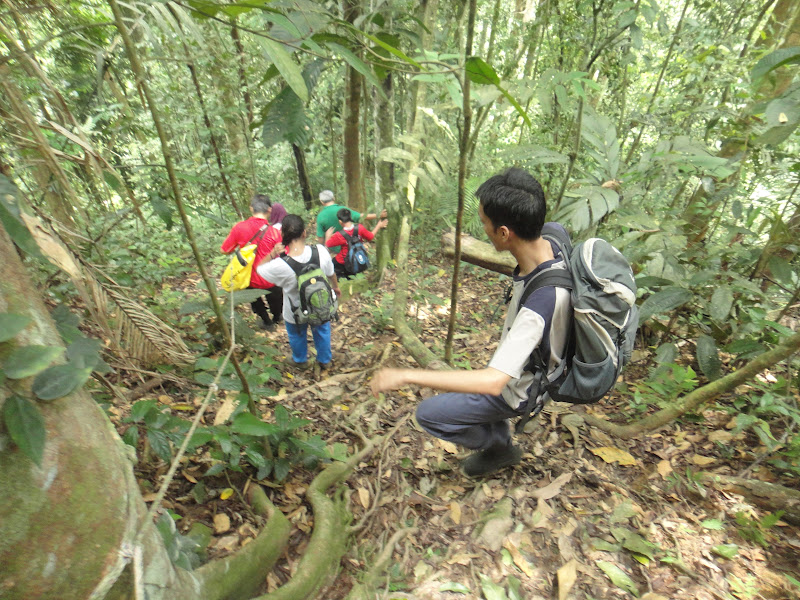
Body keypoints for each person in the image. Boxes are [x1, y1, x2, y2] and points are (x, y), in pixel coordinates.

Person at [370, 168, 572, 478]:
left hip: (517, 391)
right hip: (528, 365)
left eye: (484, 225)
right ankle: (496, 433)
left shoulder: (542, 303)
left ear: (504, 233)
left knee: (429, 414)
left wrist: (406, 375)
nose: (482, 232)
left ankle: (498, 445)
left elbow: (492, 382)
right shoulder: (554, 238)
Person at [257, 214, 341, 372]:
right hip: (320, 303)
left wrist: (272, 253)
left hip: (295, 309)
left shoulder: (279, 265)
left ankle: (300, 360)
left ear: (283, 236)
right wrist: (335, 287)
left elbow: (260, 269)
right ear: (304, 233)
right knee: (322, 330)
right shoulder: (321, 251)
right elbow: (331, 274)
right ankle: (324, 360)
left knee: (296, 334)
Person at [220, 194, 283, 331]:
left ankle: (267, 322)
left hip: (249, 276)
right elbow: (285, 252)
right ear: (270, 210)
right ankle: (277, 317)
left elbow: (225, 250)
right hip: (270, 277)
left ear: (251, 208)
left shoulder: (239, 228)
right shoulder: (274, 232)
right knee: (276, 297)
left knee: (255, 299)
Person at [325, 208, 388, 279]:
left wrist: (327, 236)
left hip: (343, 262)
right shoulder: (360, 228)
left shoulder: (339, 235)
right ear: (350, 218)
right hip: (357, 259)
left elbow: (328, 244)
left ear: (340, 221)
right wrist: (379, 225)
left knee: (332, 264)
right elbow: (370, 236)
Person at [315, 189, 387, 248]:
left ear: (321, 202)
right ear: (333, 198)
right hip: (352, 248)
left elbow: (320, 238)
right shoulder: (344, 210)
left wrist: (326, 241)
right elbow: (361, 216)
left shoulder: (320, 216)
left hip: (334, 249)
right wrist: (378, 215)